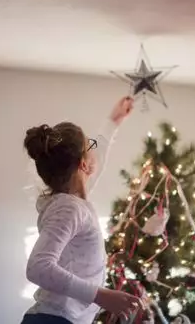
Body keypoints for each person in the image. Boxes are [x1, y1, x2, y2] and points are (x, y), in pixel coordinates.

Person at [21, 96, 144, 324]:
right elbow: (38, 267)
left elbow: (97, 153)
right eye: (90, 146)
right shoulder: (69, 208)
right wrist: (101, 295)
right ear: (84, 164)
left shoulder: (70, 202)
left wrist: (113, 122)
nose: (95, 148)